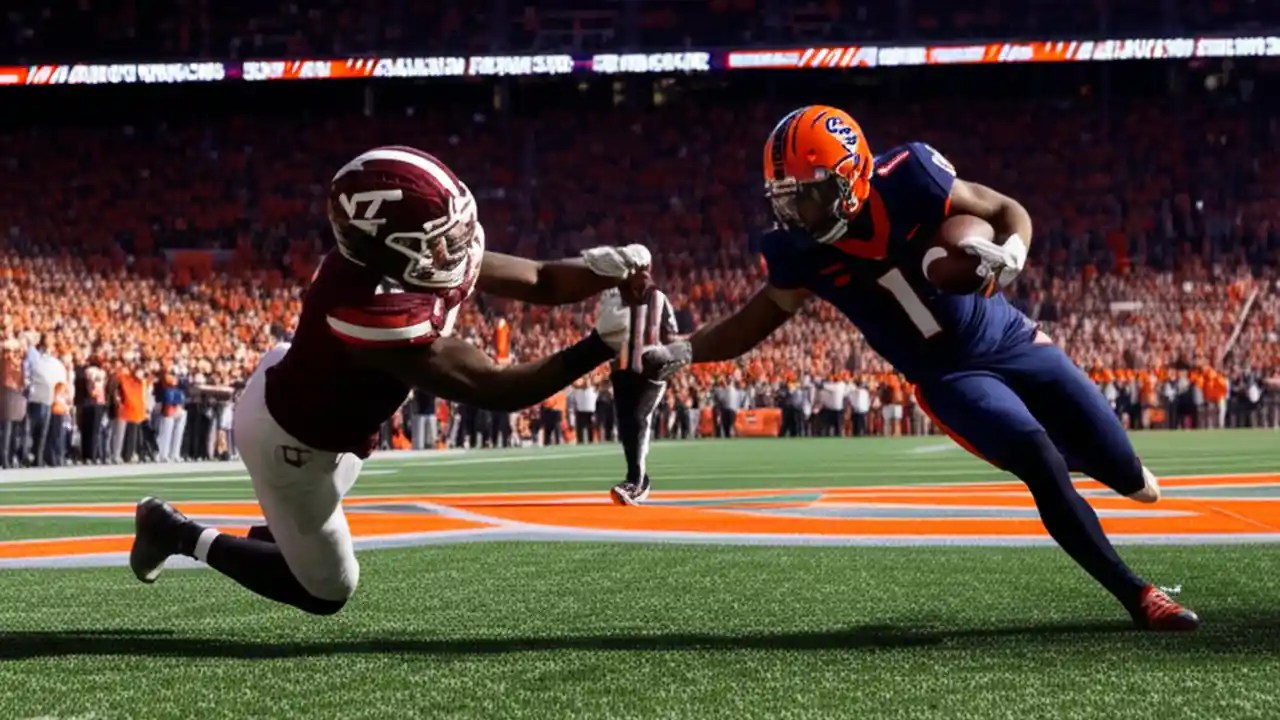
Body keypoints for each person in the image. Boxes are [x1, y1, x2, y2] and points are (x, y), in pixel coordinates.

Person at [638, 106, 1197, 631]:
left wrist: (1015, 251)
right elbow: (751, 322)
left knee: (1129, 476)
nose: (795, 213)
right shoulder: (798, 252)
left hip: (1008, 335)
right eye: (785, 198)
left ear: (851, 177)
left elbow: (1007, 211)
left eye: (808, 195)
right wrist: (686, 349)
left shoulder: (910, 176)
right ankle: (1137, 594)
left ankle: (1099, 459)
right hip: (948, 376)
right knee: (1038, 457)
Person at [129, 145, 659, 616]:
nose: (459, 248)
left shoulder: (401, 259)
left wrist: (602, 268)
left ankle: (283, 533)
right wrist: (598, 345)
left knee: (293, 531)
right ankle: (174, 532)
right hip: (294, 443)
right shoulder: (368, 309)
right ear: (390, 251)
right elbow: (498, 388)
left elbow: (540, 279)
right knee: (326, 590)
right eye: (438, 241)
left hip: (319, 402)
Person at [604, 284, 677, 505]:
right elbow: (604, 334)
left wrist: (666, 360)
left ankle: (637, 481)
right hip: (621, 368)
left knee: (639, 417)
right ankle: (635, 476)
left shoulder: (658, 297)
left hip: (650, 367)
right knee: (627, 424)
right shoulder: (612, 299)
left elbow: (671, 333)